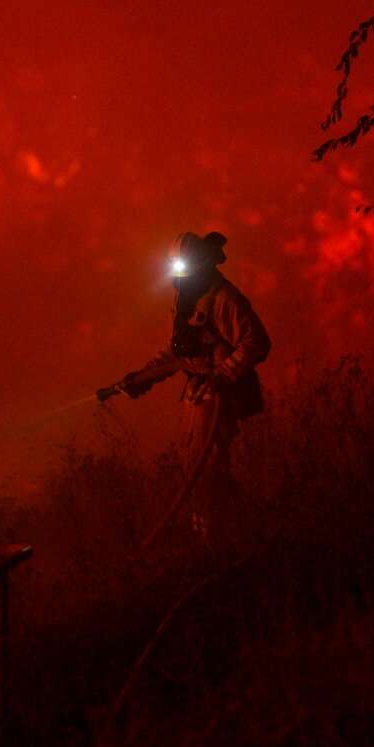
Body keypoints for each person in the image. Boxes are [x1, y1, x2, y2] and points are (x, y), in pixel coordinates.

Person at [108, 231, 271, 544]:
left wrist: (222, 375)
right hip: (198, 395)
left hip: (218, 397)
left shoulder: (223, 299)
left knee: (206, 472)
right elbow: (180, 353)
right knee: (197, 470)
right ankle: (224, 533)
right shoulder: (188, 299)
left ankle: (219, 540)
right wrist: (141, 378)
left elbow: (257, 342)